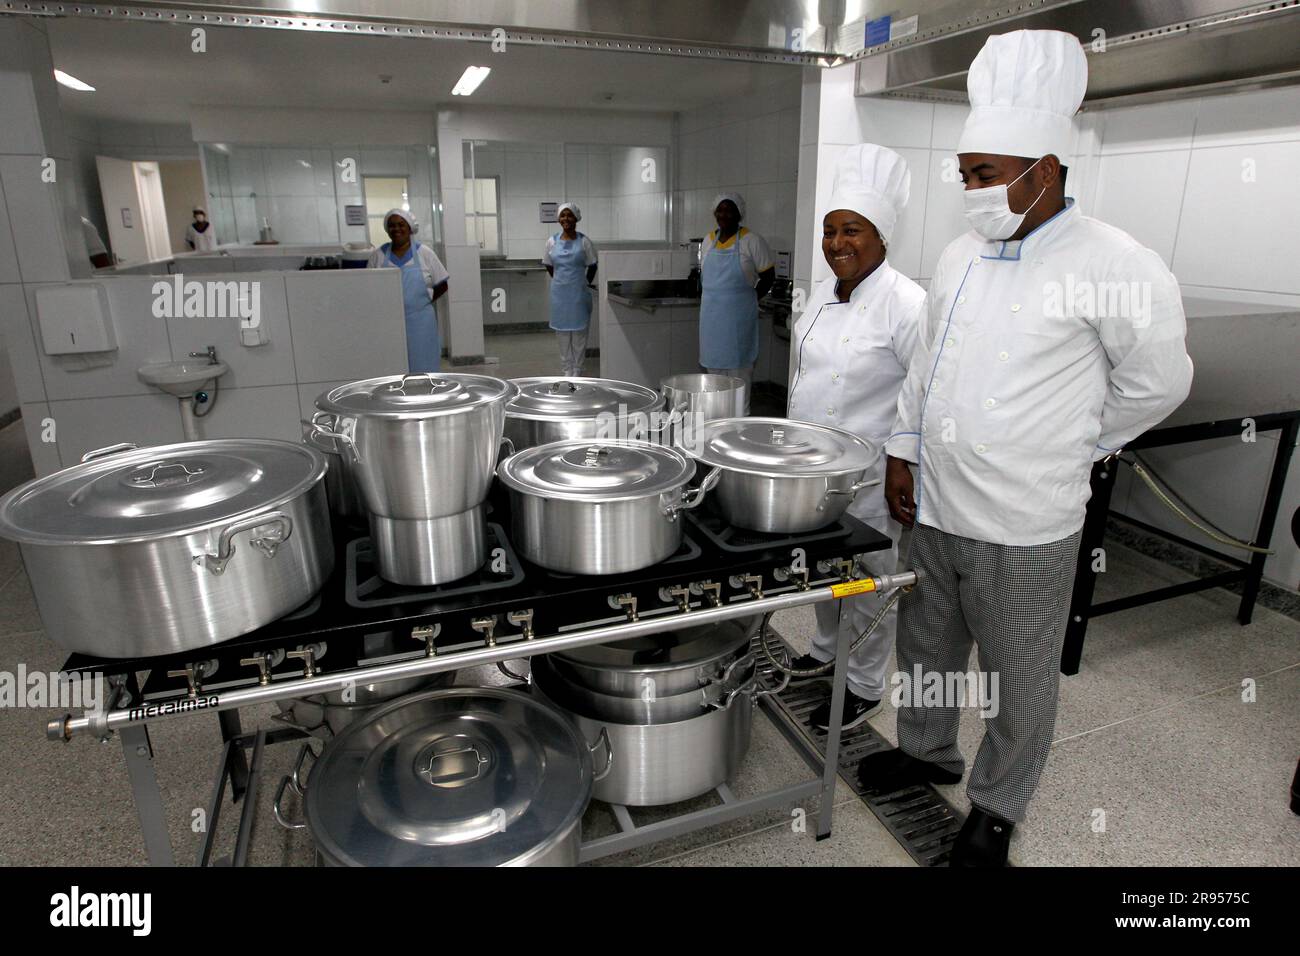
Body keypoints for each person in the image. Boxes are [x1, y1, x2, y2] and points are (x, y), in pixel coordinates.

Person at [862, 29, 1193, 867]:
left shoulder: (1115, 263)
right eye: (965, 174)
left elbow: (1159, 382)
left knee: (1017, 675)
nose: (970, 191)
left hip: (1026, 521)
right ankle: (925, 748)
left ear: (1043, 168)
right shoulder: (958, 254)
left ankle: (996, 809)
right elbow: (926, 367)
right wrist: (903, 449)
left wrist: (1076, 442)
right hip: (935, 503)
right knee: (927, 646)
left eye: (984, 175)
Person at [784, 144, 924, 731]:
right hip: (813, 467)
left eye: (853, 231)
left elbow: (924, 395)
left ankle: (864, 684)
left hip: (869, 475)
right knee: (821, 569)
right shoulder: (819, 294)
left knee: (868, 578)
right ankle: (822, 650)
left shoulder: (909, 304)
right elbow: (804, 375)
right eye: (830, 231)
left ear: (882, 237)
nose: (838, 243)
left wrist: (902, 462)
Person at [699, 193, 774, 412]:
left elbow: (768, 277)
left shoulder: (752, 241)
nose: (724, 214)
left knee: (738, 382)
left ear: (739, 213)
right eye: (720, 210)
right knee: (713, 384)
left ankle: (739, 427)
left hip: (738, 323)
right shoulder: (708, 240)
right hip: (711, 323)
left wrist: (749, 300)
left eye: (729, 209)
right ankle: (714, 428)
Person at [366, 209, 449, 373]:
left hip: (420, 323)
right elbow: (369, 288)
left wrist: (422, 302)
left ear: (410, 228)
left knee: (423, 365)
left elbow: (442, 284)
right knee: (391, 366)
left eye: (401, 225)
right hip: (388, 323)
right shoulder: (378, 256)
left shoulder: (424, 253)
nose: (396, 229)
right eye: (392, 226)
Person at [542, 202, 598, 377]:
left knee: (580, 333)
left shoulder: (584, 242)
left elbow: (593, 265)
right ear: (559, 219)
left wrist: (583, 282)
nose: (566, 219)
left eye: (569, 215)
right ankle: (567, 368)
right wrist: (561, 280)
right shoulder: (551, 241)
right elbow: (549, 265)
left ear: (576, 218)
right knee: (562, 333)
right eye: (563, 215)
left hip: (579, 293)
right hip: (559, 294)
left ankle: (578, 369)